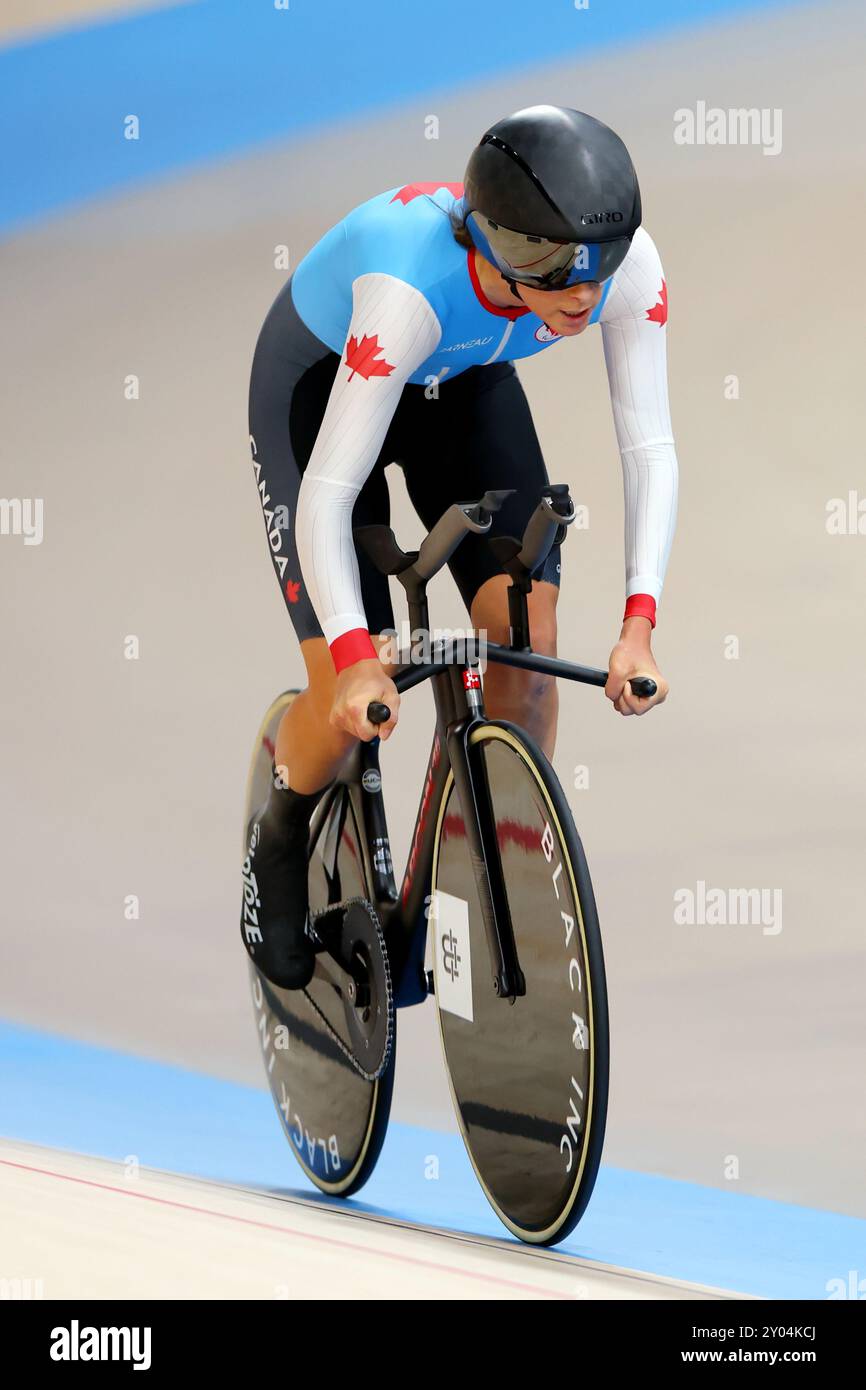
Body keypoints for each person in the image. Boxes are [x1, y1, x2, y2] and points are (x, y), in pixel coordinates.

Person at [241, 104, 678, 989]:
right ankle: (278, 832)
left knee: (526, 640)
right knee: (341, 704)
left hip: (462, 383)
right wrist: (360, 656)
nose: (584, 295)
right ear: (494, 245)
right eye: (554, 269)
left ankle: (476, 876)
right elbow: (327, 495)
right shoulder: (406, 290)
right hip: (327, 390)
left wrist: (639, 622)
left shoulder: (615, 269)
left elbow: (651, 449)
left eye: (601, 265)